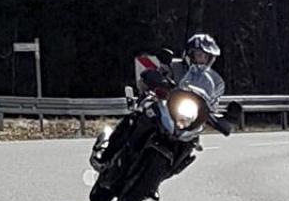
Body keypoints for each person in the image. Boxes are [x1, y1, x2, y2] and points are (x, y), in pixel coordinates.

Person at [93, 33, 225, 171]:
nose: (202, 59)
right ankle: (107, 153)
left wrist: (217, 117)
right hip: (165, 107)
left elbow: (212, 103)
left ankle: (155, 180)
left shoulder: (210, 82)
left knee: (191, 144)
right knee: (136, 118)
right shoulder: (174, 66)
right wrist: (156, 79)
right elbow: (153, 76)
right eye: (199, 55)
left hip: (185, 118)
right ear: (189, 53)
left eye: (206, 57)